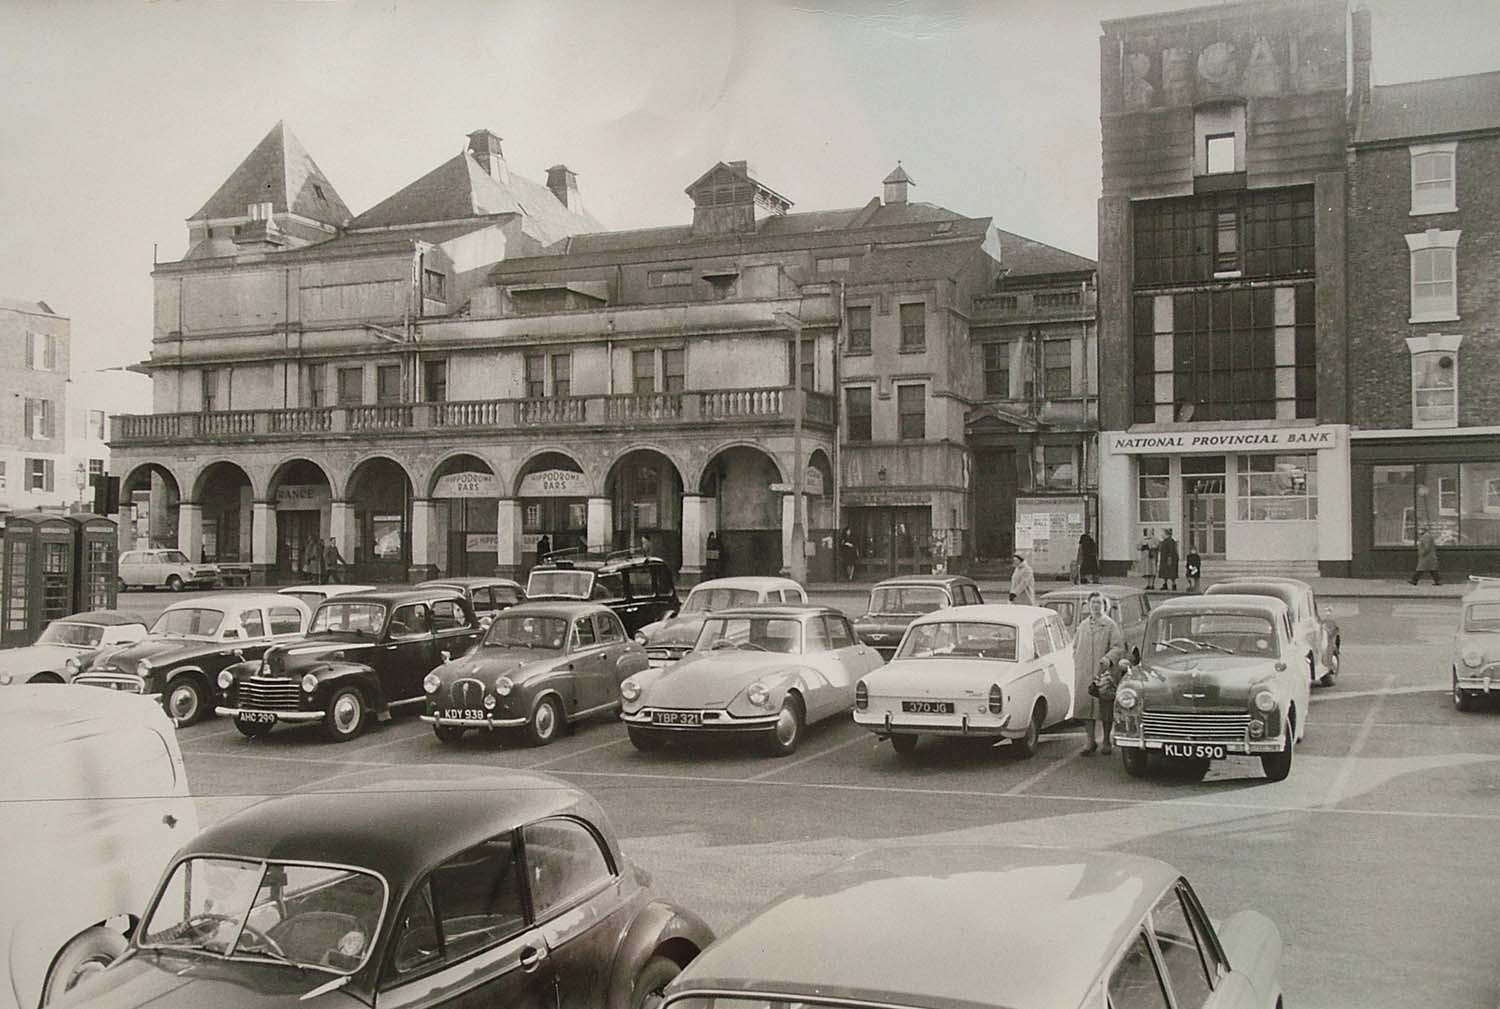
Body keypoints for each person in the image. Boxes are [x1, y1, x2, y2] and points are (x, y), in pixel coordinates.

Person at [1074, 591, 1125, 755]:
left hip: (1103, 672)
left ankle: (1106, 740)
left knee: (1105, 708)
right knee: (1085, 708)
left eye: (1099, 603)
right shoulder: (1083, 626)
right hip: (1084, 672)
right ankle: (1090, 741)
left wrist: (1108, 659)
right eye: (1093, 603)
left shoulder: (1110, 625)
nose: (1096, 606)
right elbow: (1075, 646)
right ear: (1088, 606)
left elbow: (1118, 647)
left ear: (1105, 606)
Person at [1157, 528, 1179, 592]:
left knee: (1171, 572)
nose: (1161, 535)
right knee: (1165, 572)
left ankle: (1173, 584)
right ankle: (1165, 584)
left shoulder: (1170, 541)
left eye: (1162, 533)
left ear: (1166, 534)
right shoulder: (1164, 541)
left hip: (1169, 559)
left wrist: (1169, 559)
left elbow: (1171, 551)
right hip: (1164, 558)